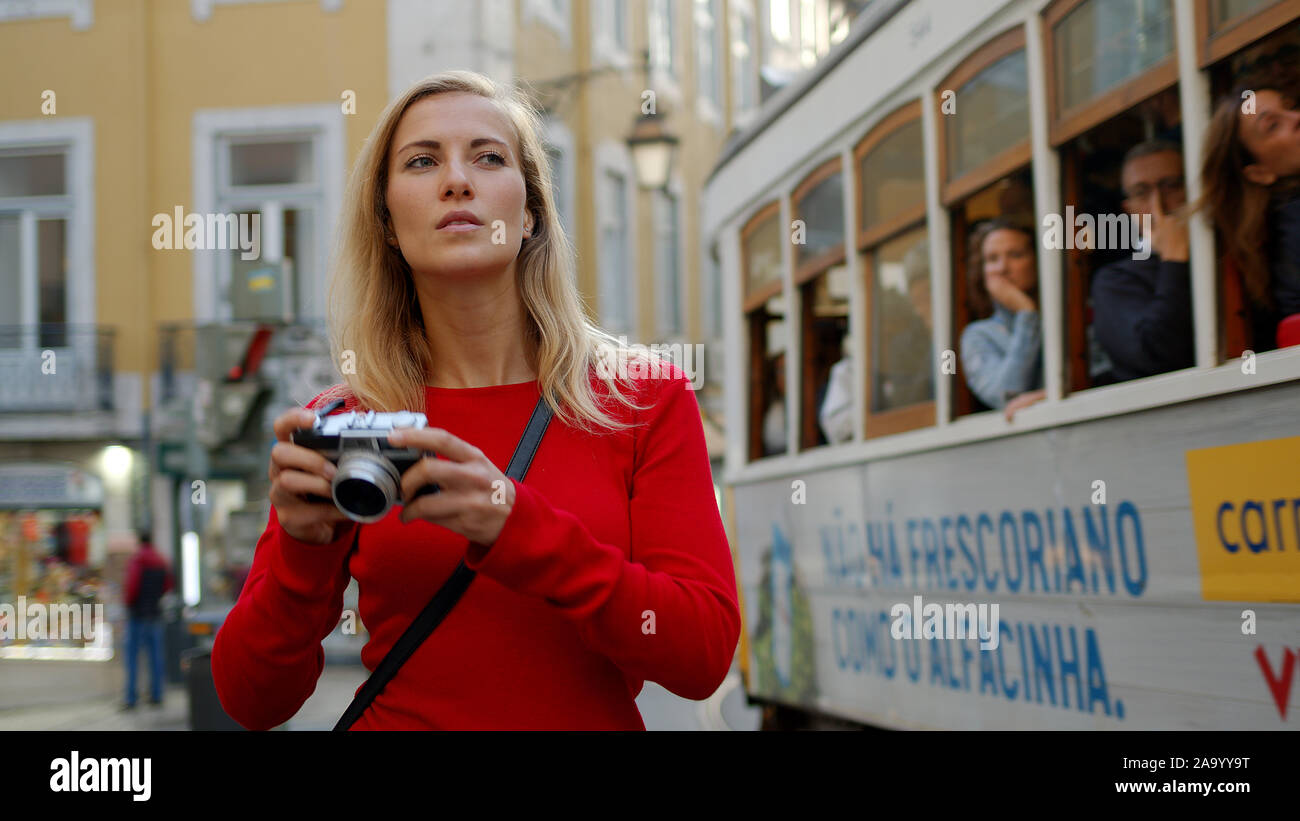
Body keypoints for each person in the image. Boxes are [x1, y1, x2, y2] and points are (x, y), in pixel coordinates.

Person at [210, 71, 740, 730]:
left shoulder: (642, 399)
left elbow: (703, 653)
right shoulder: (346, 424)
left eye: (488, 157)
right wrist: (301, 546)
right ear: (389, 224)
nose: (455, 180)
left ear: (529, 216)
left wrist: (515, 525)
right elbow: (250, 699)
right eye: (422, 161)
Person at [1201, 86, 1300, 350]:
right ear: (1259, 173)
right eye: (1273, 126)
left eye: (1291, 106)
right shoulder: (1292, 221)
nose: (1296, 118)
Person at [1091, 140, 1196, 381]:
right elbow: (1156, 357)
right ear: (1128, 210)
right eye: (1141, 193)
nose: (1157, 204)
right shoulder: (1115, 280)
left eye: (1171, 186)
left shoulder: (1225, 255)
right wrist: (1174, 260)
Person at [959, 219, 1046, 420]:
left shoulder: (1070, 315)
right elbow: (1005, 394)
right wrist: (1026, 313)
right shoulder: (978, 336)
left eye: (1015, 255)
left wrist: (1047, 396)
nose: (1002, 268)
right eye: (991, 259)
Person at [122, 530, 172, 710]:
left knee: (132, 658)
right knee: (156, 657)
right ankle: (157, 695)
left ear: (139, 542)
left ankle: (131, 698)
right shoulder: (161, 561)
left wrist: (128, 604)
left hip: (138, 615)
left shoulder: (137, 561)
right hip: (155, 614)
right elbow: (167, 585)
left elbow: (132, 589)